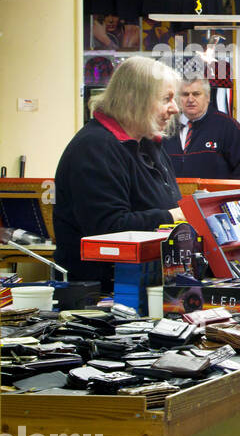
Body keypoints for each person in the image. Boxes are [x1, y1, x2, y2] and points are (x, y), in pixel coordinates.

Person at [53, 56, 184, 288]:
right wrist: (174, 217)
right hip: (104, 293)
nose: (175, 108)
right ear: (133, 99)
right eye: (166, 99)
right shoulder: (95, 147)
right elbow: (109, 228)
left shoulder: (149, 144)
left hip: (150, 283)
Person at [162, 77, 240, 180]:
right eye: (185, 94)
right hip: (174, 195)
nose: (190, 99)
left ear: (208, 97)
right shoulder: (165, 127)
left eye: (196, 94)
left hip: (214, 195)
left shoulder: (228, 126)